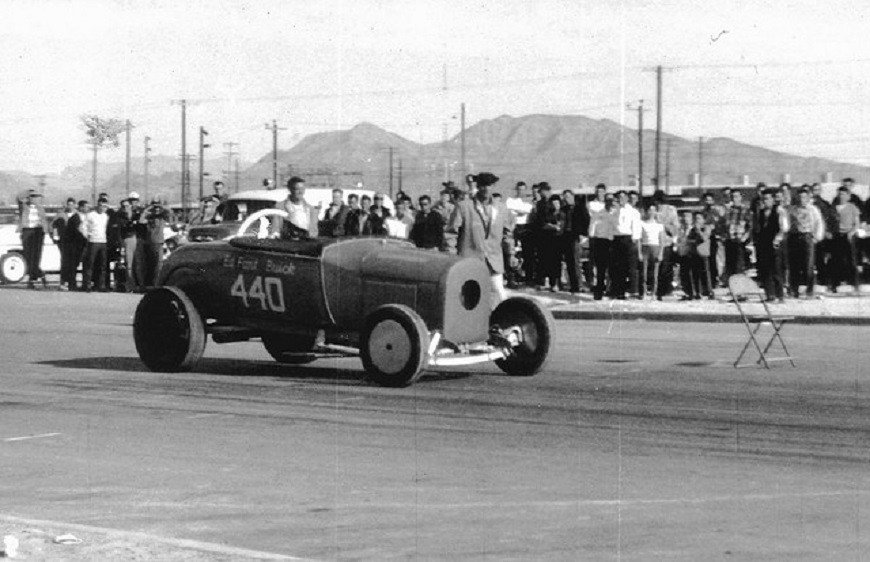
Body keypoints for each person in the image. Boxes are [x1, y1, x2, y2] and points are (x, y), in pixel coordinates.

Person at [448, 172, 513, 304]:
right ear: (478, 186)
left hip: (494, 261)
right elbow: (451, 233)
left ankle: (501, 323)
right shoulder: (464, 206)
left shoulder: (501, 208)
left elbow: (508, 234)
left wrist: (511, 253)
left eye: (489, 185)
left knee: (499, 295)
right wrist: (451, 256)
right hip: (470, 259)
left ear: (493, 186)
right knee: (470, 297)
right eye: (483, 185)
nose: (486, 189)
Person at [786, 188, 824, 298]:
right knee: (794, 266)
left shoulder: (813, 209)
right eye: (800, 197)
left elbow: (819, 223)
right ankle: (794, 290)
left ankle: (810, 291)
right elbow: (787, 222)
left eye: (804, 197)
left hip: (807, 237)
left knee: (809, 266)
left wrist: (816, 237)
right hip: (794, 237)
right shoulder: (792, 209)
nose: (801, 199)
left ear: (808, 198)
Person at [753, 189, 788, 303]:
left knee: (776, 270)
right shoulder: (761, 212)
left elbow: (784, 227)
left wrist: (777, 240)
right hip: (764, 243)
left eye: (767, 199)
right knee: (765, 270)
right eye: (763, 199)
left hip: (775, 243)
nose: (765, 201)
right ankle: (770, 295)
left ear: (773, 199)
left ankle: (780, 295)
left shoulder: (779, 210)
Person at [829, 186, 862, 294]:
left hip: (849, 235)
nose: (841, 196)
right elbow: (829, 222)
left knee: (851, 260)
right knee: (836, 260)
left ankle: (855, 284)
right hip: (837, 236)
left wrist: (852, 232)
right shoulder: (833, 207)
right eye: (839, 194)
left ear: (848, 196)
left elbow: (857, 223)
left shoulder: (852, 207)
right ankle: (835, 284)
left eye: (843, 194)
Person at [135, 196, 173, 289]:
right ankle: (148, 285)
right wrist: (149, 208)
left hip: (158, 243)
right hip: (148, 244)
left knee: (158, 266)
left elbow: (170, 213)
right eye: (154, 207)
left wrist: (160, 206)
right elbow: (141, 220)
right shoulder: (149, 217)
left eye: (157, 208)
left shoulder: (162, 217)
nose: (156, 209)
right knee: (149, 265)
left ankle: (156, 285)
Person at [609, 190, 642, 299]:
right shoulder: (614, 212)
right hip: (617, 239)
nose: (621, 199)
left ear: (627, 199)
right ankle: (619, 291)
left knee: (630, 267)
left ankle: (633, 290)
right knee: (618, 267)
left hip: (628, 239)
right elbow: (612, 226)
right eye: (619, 197)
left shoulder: (633, 212)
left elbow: (636, 226)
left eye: (623, 197)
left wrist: (634, 239)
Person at [16, 189, 50, 289]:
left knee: (36, 256)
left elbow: (44, 220)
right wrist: (28, 192)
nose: (32, 198)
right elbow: (18, 198)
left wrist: (45, 231)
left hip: (38, 232)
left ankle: (32, 280)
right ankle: (40, 274)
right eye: (31, 197)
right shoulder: (24, 206)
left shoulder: (40, 208)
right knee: (28, 256)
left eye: (34, 197)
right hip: (27, 230)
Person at [588, 184, 614, 300]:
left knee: (612, 267)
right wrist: (592, 240)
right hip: (600, 241)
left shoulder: (616, 213)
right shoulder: (599, 213)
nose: (609, 202)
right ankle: (599, 292)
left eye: (611, 200)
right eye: (607, 200)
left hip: (613, 242)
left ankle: (611, 290)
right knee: (601, 269)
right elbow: (592, 228)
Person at [651, 190, 679, 298]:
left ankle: (666, 290)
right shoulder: (652, 210)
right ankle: (657, 289)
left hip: (666, 242)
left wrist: (662, 224)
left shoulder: (671, 210)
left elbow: (675, 228)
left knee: (666, 268)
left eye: (660, 203)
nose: (659, 205)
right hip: (654, 242)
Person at [538, 194, 566, 291]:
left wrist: (552, 226)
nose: (555, 205)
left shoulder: (562, 214)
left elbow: (561, 227)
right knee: (549, 262)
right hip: (548, 240)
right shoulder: (548, 214)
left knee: (558, 263)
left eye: (557, 203)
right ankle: (551, 283)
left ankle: (558, 283)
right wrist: (553, 226)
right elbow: (543, 225)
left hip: (559, 240)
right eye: (553, 203)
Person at [82, 197, 111, 292]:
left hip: (103, 242)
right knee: (90, 264)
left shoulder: (106, 216)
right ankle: (87, 284)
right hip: (93, 242)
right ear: (97, 205)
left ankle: (101, 285)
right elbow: (82, 227)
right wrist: (87, 235)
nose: (102, 208)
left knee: (102, 265)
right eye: (101, 206)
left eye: (104, 206)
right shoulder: (90, 215)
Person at [722, 189, 751, 281]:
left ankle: (740, 287)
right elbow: (724, 225)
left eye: (736, 196)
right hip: (729, 240)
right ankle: (732, 286)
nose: (734, 199)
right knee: (730, 265)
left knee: (739, 265)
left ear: (741, 197)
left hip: (740, 241)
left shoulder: (746, 210)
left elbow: (750, 227)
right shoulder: (728, 211)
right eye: (732, 197)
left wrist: (744, 238)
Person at [51, 197, 78, 290]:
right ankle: (63, 281)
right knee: (64, 261)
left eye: (72, 204)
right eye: (68, 204)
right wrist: (55, 237)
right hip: (64, 241)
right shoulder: (61, 214)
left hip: (75, 241)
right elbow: (53, 225)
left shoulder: (77, 214)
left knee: (73, 262)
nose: (70, 206)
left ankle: (72, 283)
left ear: (75, 205)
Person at [639, 204, 664, 299]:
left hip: (655, 247)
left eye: (653, 210)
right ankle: (644, 292)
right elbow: (640, 239)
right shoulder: (642, 223)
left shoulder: (659, 225)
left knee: (654, 273)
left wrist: (661, 253)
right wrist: (639, 252)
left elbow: (661, 240)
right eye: (650, 210)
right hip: (645, 247)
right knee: (644, 272)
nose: (651, 212)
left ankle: (654, 293)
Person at [687, 212, 714, 300]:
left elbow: (704, 238)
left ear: (703, 220)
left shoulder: (706, 228)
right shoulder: (692, 230)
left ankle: (708, 291)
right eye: (695, 218)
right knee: (695, 273)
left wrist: (699, 231)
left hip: (703, 253)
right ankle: (697, 292)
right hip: (694, 253)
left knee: (705, 273)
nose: (697, 220)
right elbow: (689, 240)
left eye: (699, 218)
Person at [64, 200, 90, 291]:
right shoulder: (74, 218)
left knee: (86, 265)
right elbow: (73, 232)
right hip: (75, 245)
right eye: (86, 207)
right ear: (81, 207)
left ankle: (85, 285)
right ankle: (72, 285)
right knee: (73, 265)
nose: (87, 208)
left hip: (86, 245)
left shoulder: (88, 217)